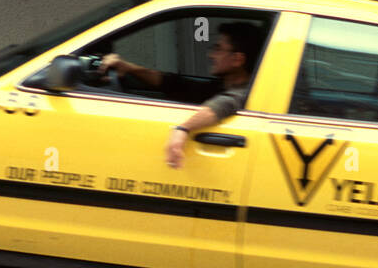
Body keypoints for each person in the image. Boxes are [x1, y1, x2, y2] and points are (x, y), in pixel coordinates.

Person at [99, 22, 262, 170]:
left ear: (237, 59)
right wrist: (128, 67)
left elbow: (221, 106)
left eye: (218, 49)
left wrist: (182, 129)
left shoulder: (245, 92)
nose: (211, 55)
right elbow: (173, 83)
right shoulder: (221, 85)